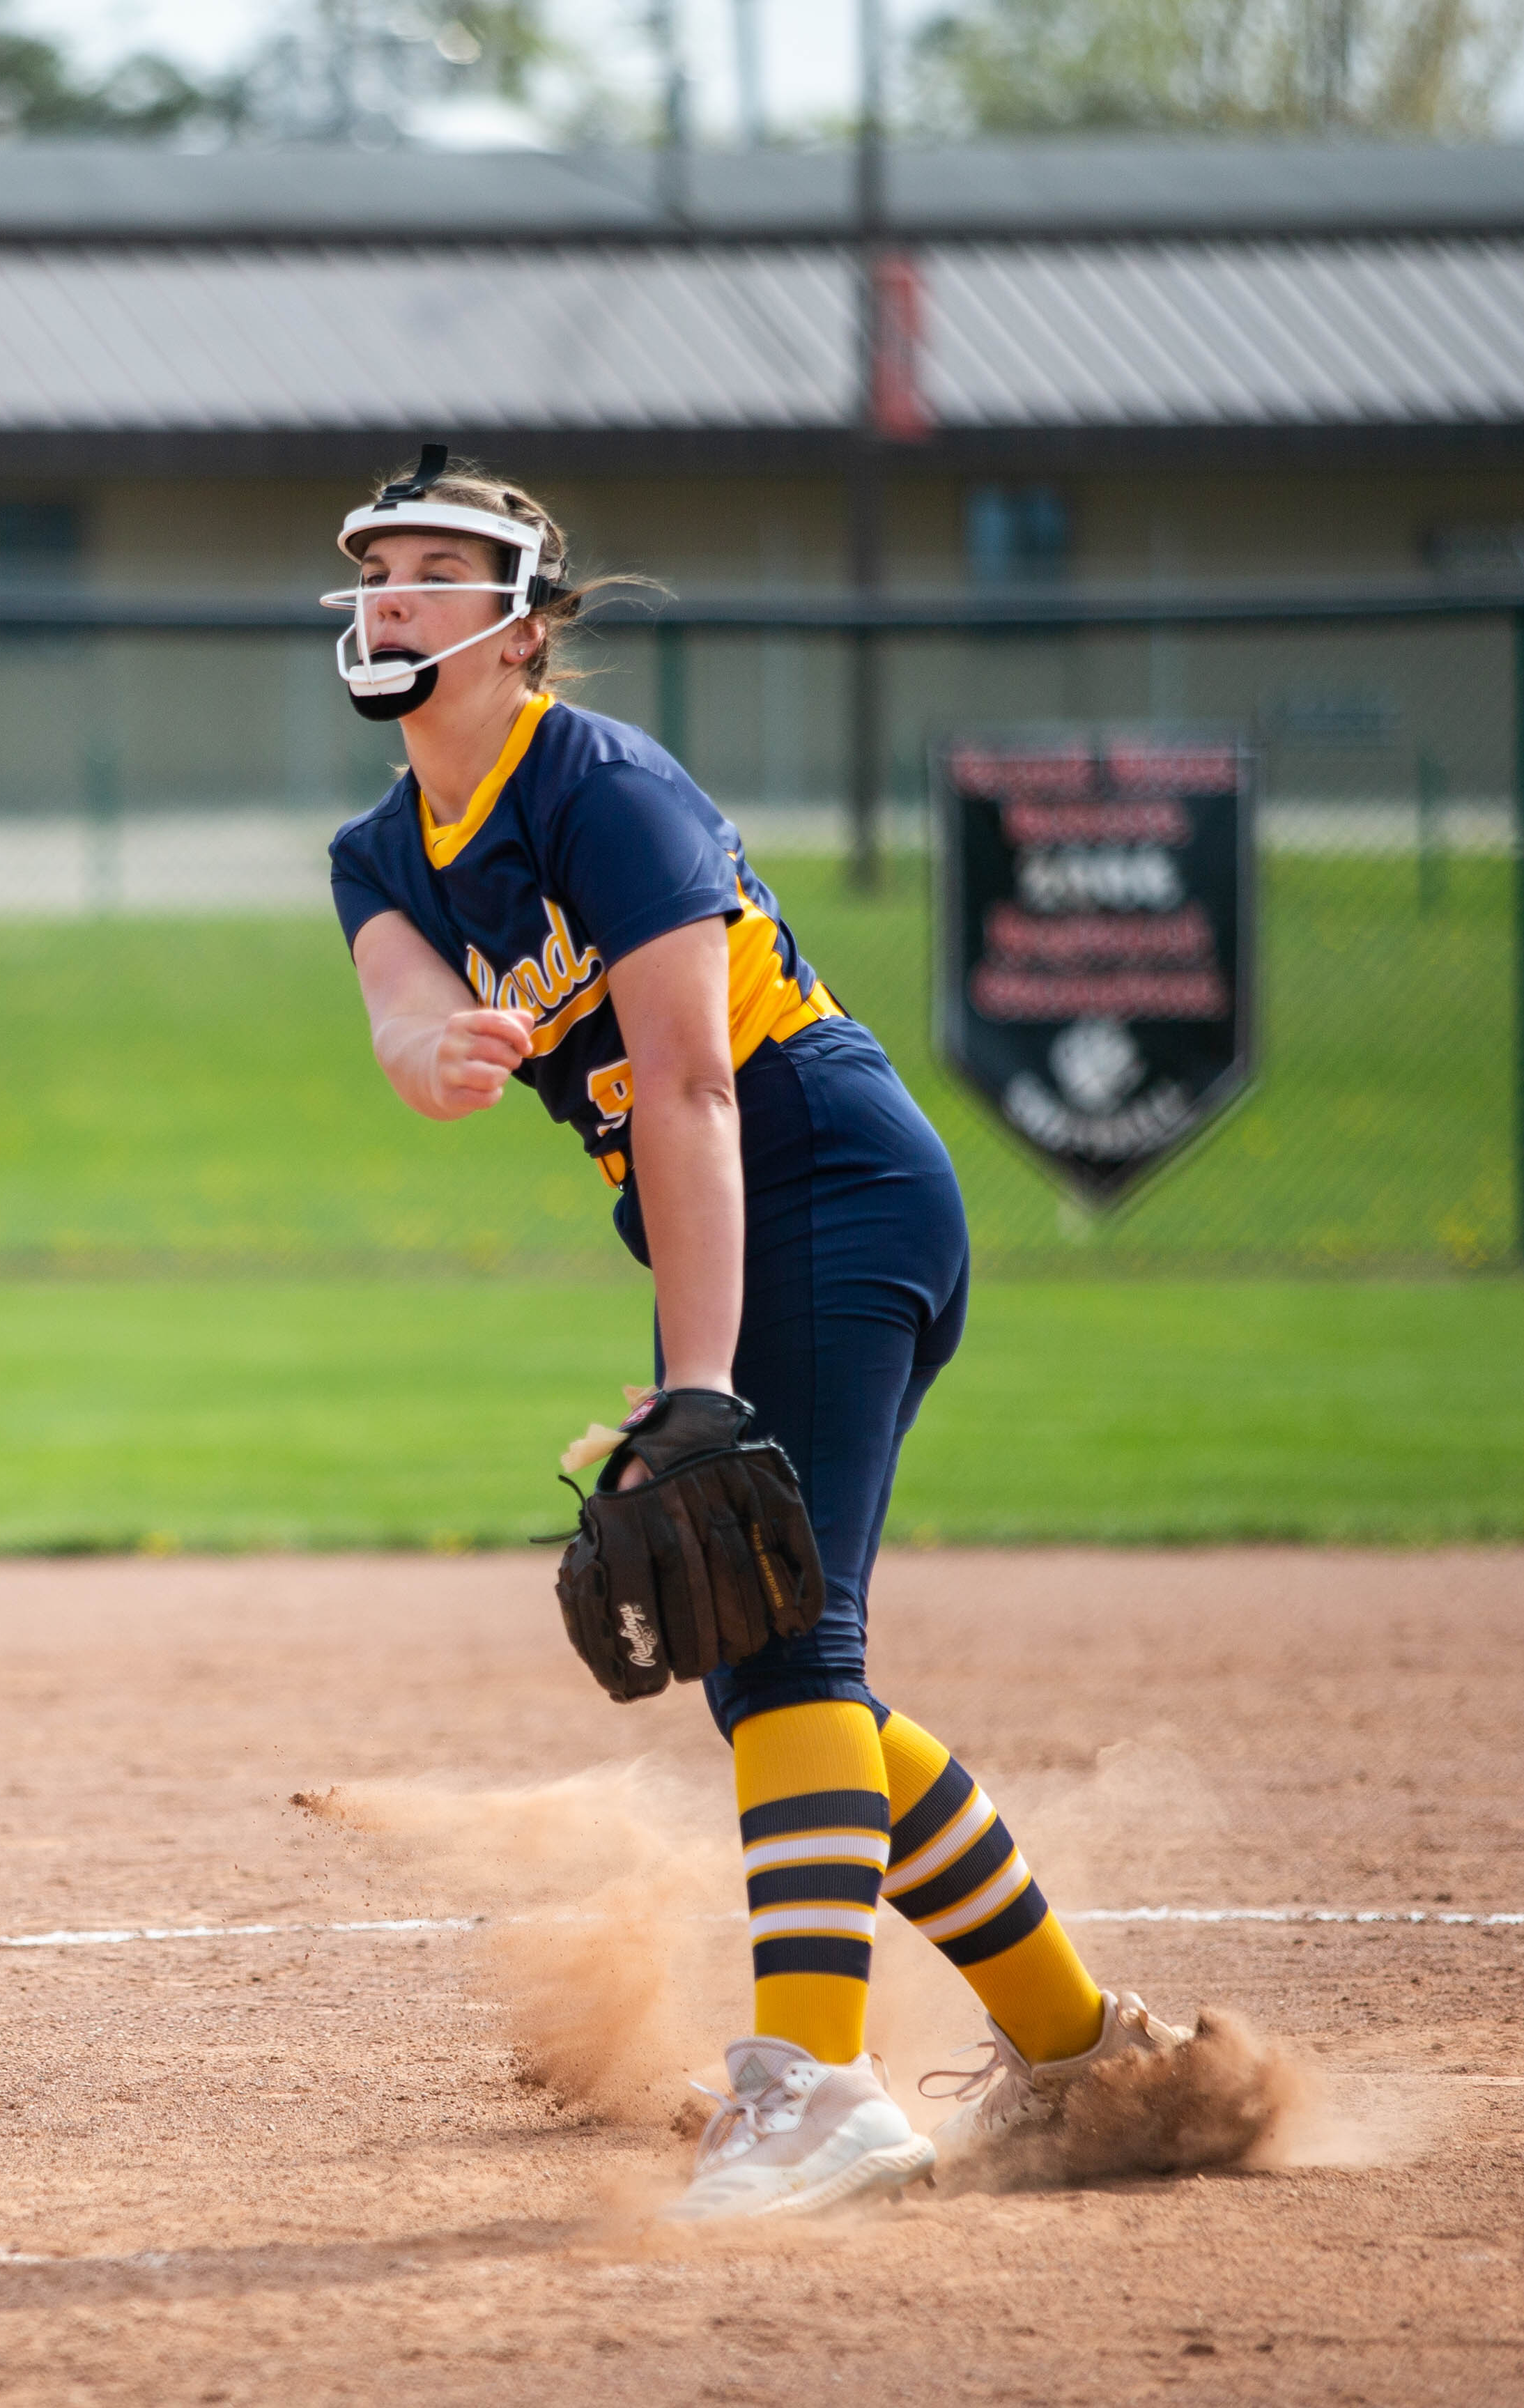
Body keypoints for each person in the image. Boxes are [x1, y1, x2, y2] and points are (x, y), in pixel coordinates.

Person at [320, 451, 1223, 2220]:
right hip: (730, 1206)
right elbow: (399, 1008)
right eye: (375, 569)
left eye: (437, 568)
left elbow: (688, 1082)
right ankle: (1084, 2055)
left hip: (823, 1168)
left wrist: (703, 1378)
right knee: (770, 1665)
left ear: (518, 631)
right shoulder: (377, 847)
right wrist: (429, 1055)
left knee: (789, 1645)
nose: (393, 595)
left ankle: (816, 2088)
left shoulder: (601, 785)